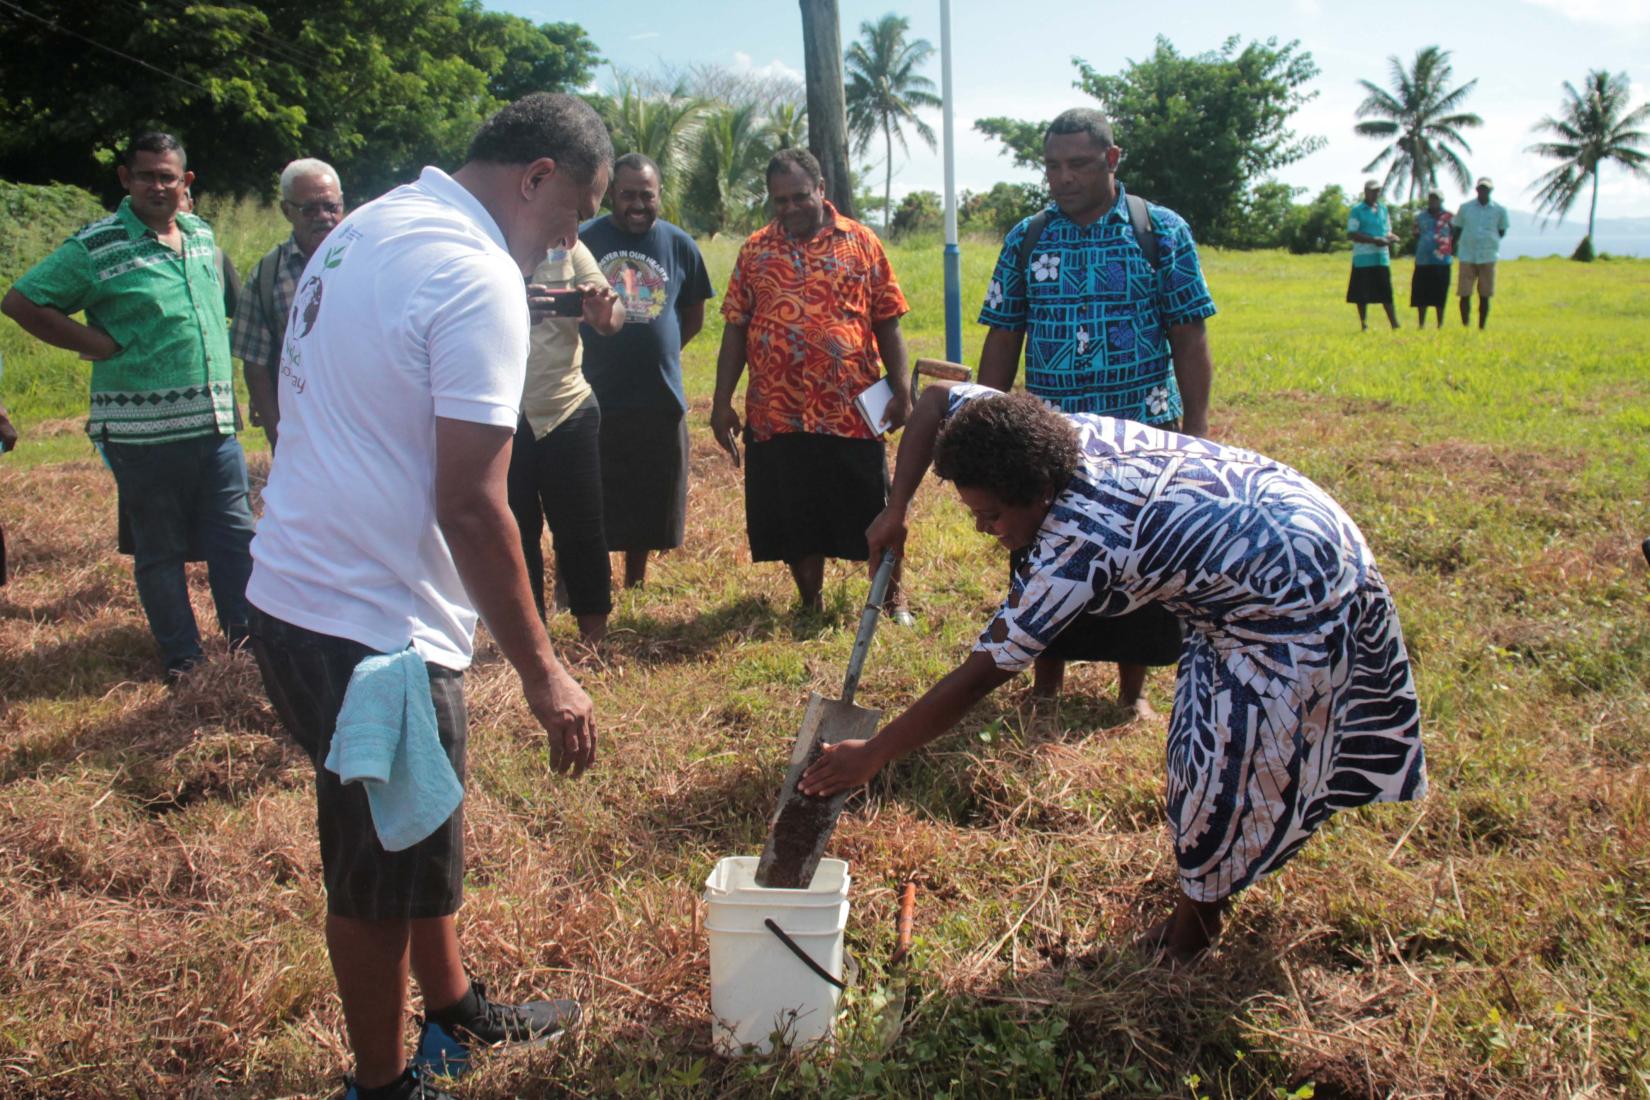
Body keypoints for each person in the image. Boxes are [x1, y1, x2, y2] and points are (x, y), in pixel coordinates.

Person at [244, 93, 611, 1100]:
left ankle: (451, 1010)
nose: (561, 248)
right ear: (536, 177)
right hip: (371, 626)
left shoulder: (370, 225)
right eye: (569, 219)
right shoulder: (475, 272)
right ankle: (382, 1080)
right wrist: (548, 674)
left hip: (299, 588)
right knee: (372, 873)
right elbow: (473, 504)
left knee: (410, 827)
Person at [798, 382, 1427, 964]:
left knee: (1227, 772)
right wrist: (895, 508)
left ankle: (1189, 943)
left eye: (992, 517)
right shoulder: (1035, 438)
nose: (987, 532)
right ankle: (1199, 903)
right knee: (1195, 745)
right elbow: (936, 400)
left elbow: (981, 675)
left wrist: (875, 752)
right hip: (1262, 543)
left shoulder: (1083, 539)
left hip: (1296, 593)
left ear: (1040, 491)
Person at [977, 106, 1217, 719]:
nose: (1063, 177)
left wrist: (1195, 436)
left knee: (1139, 557)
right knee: (1045, 555)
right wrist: (985, 424)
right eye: (1053, 166)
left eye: (1078, 164)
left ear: (1112, 161)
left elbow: (1189, 335)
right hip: (1050, 438)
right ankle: (1046, 685)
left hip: (1143, 434)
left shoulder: (1159, 231)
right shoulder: (1027, 238)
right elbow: (1003, 335)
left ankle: (1131, 695)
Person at [1, 131, 255, 681]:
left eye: (168, 176)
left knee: (234, 537)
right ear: (125, 179)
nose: (157, 186)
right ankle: (183, 659)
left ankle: (246, 644)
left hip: (214, 424)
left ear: (185, 181)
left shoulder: (201, 235)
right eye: (146, 175)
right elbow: (22, 300)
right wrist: (95, 344)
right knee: (159, 548)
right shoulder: (99, 245)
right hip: (143, 432)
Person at [711, 147, 914, 616]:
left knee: (873, 504)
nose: (790, 209)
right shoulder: (756, 249)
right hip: (777, 410)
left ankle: (891, 598)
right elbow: (735, 326)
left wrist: (902, 389)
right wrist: (721, 402)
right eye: (779, 201)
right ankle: (811, 601)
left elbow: (888, 319)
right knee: (793, 511)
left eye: (800, 197)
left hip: (850, 408)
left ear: (822, 190)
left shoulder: (862, 242)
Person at [579, 153, 715, 590]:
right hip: (591, 393)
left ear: (659, 196)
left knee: (647, 495)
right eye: (627, 195)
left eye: (647, 195)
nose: (637, 204)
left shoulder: (678, 245)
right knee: (586, 496)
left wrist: (659, 350)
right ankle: (578, 580)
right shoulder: (582, 240)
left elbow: (692, 314)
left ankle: (634, 582)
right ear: (611, 195)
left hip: (658, 395)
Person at [508, 240, 624, 643]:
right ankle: (529, 639)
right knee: (515, 532)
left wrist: (605, 313)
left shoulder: (571, 250)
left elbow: (613, 315)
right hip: (501, 414)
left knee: (582, 530)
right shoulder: (484, 242)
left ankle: (594, 640)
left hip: (565, 406)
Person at [230, 158, 346, 448]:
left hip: (366, 429)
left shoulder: (370, 262)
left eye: (331, 207)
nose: (323, 216)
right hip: (304, 432)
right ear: (287, 211)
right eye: (309, 209)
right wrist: (278, 437)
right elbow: (255, 365)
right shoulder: (268, 275)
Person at [1452, 177, 1509, 330]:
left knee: (1485, 294)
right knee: (1464, 293)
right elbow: (1457, 228)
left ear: (1491, 191)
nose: (1483, 191)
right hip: (1467, 255)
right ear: (1477, 190)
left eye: (1486, 189)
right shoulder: (1465, 208)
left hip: (1488, 256)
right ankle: (1465, 325)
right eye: (1481, 188)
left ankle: (1481, 326)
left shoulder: (1499, 210)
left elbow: (1502, 231)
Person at [1347, 179, 1401, 331]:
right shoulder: (1357, 210)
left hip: (1381, 257)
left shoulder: (1383, 209)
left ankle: (1394, 323)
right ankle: (1363, 324)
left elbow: (1387, 230)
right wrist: (1373, 240)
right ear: (1365, 191)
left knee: (1386, 292)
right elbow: (1352, 233)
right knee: (1361, 294)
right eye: (1372, 191)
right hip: (1363, 257)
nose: (1375, 194)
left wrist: (1391, 237)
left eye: (1377, 191)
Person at [1411, 191, 1453, 329]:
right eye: (1431, 199)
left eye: (1436, 199)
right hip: (1423, 260)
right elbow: (1415, 233)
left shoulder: (1449, 217)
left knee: (1440, 294)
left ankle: (1439, 324)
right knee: (1421, 294)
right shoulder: (1420, 217)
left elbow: (1456, 233)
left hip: (1442, 261)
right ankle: (1421, 324)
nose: (1433, 202)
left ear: (1441, 200)